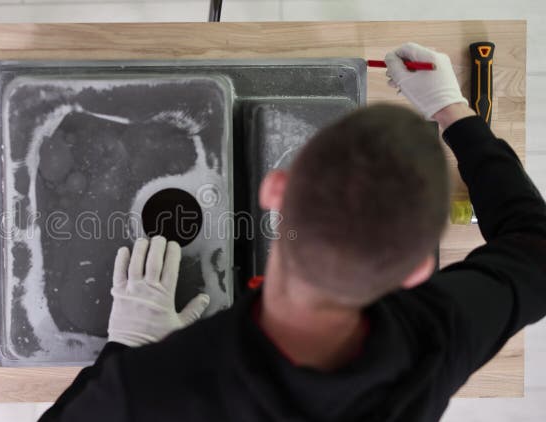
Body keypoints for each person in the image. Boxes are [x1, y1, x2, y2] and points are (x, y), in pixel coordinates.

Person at [40, 43, 546, 421]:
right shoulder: (435, 341)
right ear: (419, 268)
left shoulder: (151, 387)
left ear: (275, 192)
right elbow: (536, 248)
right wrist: (452, 110)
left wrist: (128, 347)